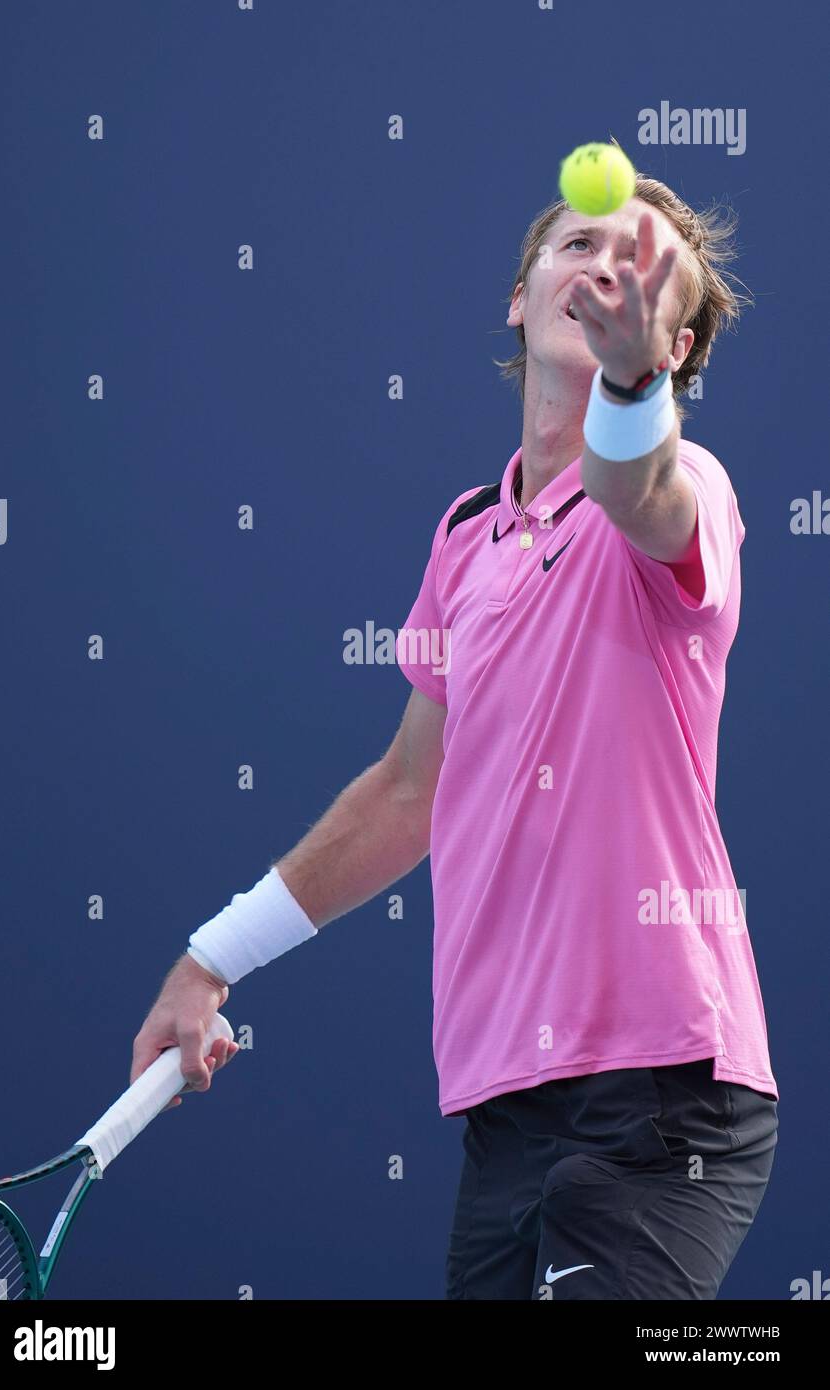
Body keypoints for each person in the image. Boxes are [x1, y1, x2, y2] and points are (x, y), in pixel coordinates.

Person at [130, 167, 778, 1301]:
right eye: (577, 245)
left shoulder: (688, 492)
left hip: (661, 1088)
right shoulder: (463, 541)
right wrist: (210, 957)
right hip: (504, 1104)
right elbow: (405, 791)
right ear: (518, 300)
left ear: (667, 347)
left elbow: (638, 489)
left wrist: (628, 389)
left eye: (639, 267)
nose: (603, 269)